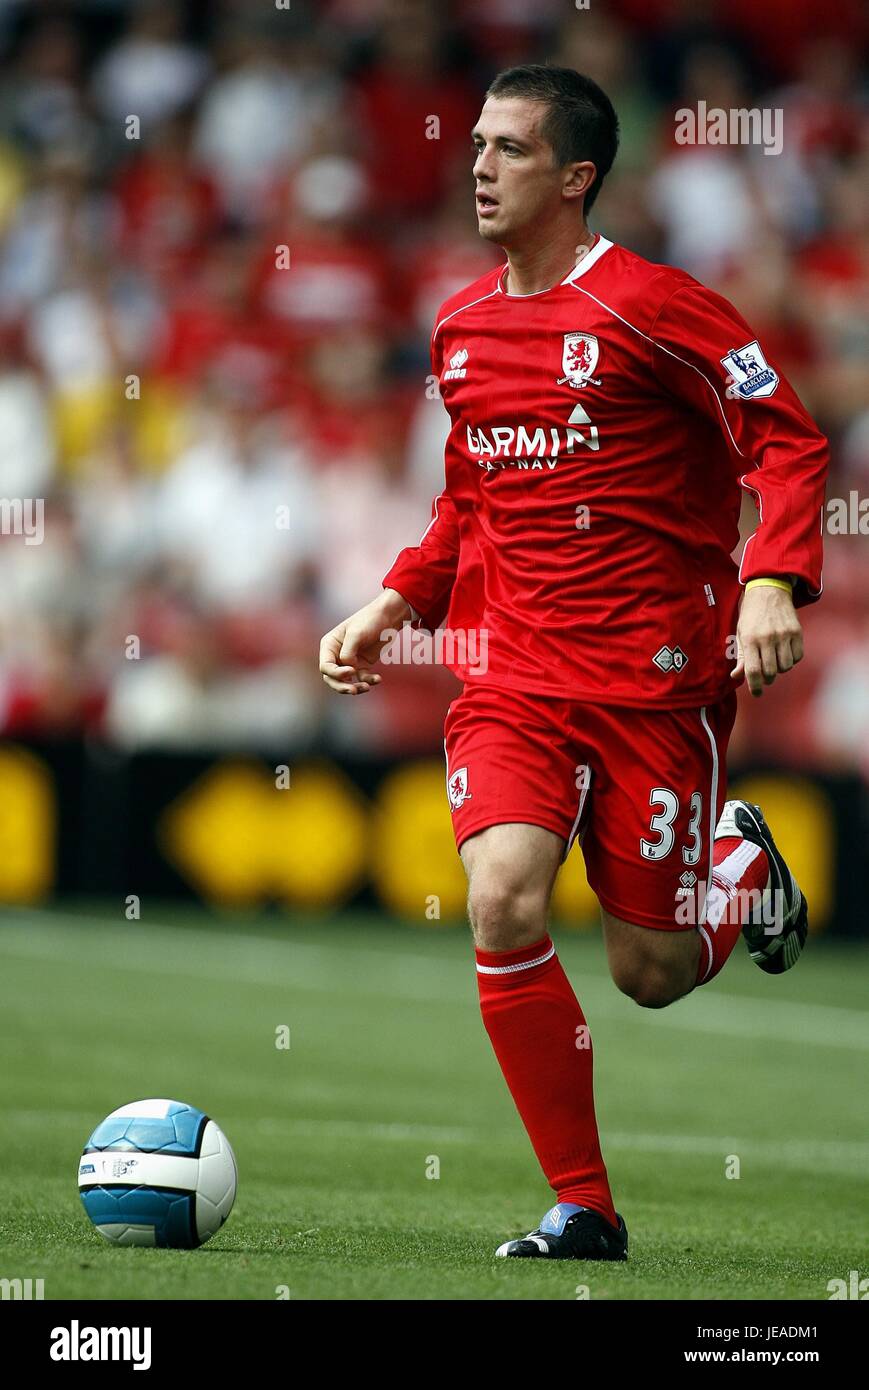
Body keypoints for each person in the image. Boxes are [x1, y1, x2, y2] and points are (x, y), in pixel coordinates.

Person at [319, 66, 828, 1261]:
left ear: (574, 175)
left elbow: (788, 441)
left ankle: (739, 862)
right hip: (512, 681)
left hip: (656, 685)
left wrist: (768, 577)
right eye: (479, 145)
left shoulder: (658, 309)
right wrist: (394, 601)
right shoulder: (459, 327)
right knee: (499, 893)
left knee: (649, 971)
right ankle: (582, 1206)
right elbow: (469, 495)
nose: (479, 166)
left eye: (508, 149)